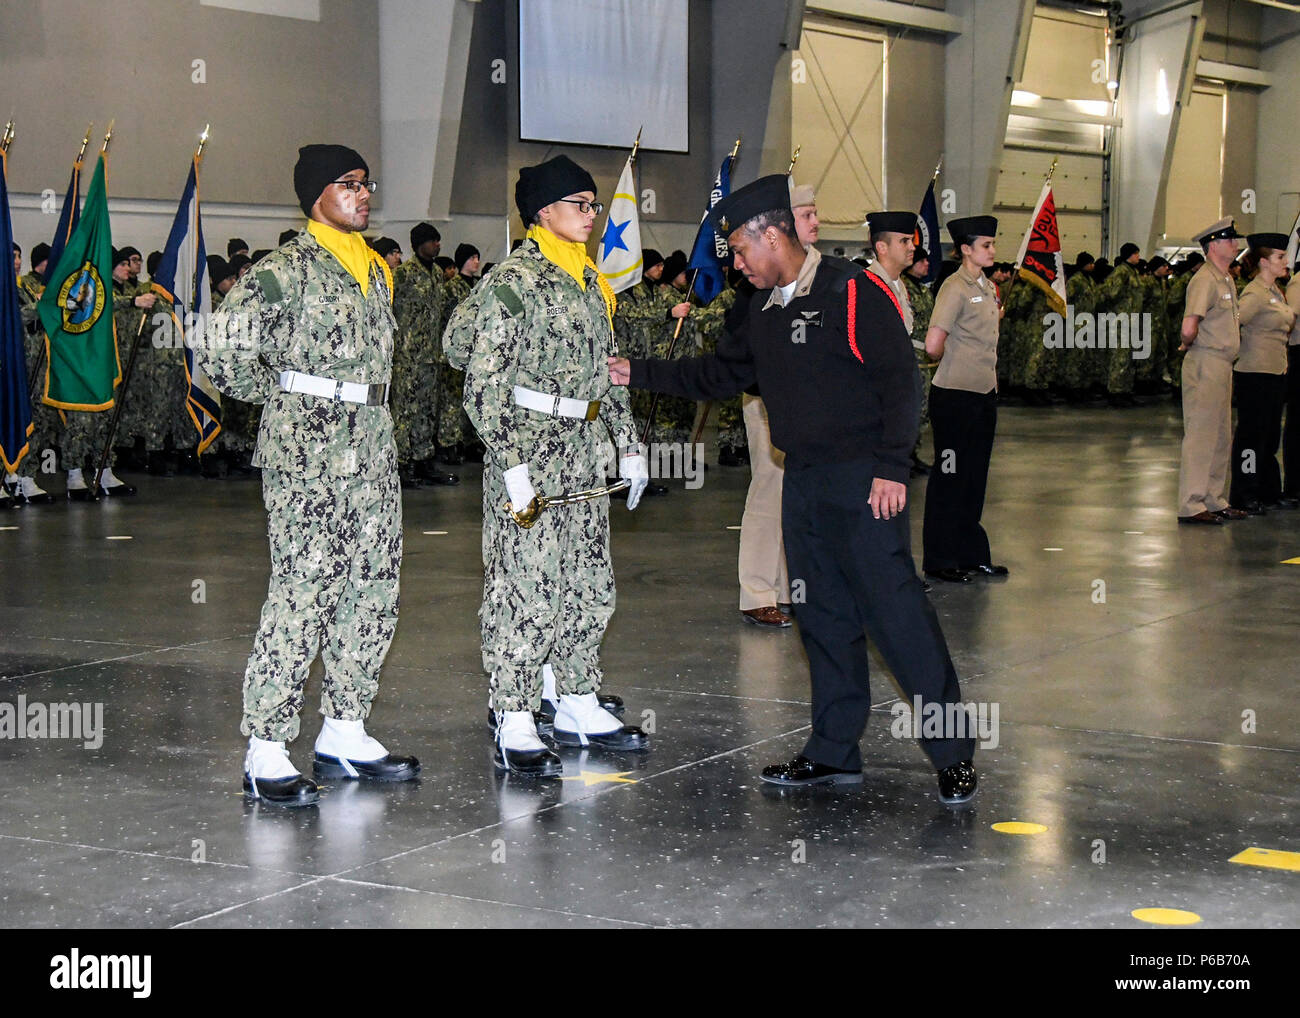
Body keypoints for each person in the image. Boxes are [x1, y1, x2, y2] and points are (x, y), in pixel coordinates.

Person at [609, 174, 977, 804]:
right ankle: (834, 751)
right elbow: (722, 375)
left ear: (771, 235)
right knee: (823, 616)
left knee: (897, 617)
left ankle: (953, 753)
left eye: (742, 251)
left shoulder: (852, 292)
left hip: (865, 482)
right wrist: (637, 371)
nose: (739, 265)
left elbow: (900, 383)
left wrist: (892, 466)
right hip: (802, 480)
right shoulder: (759, 307)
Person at [200, 143, 420, 806]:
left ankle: (345, 729)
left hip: (373, 448)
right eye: (348, 184)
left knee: (374, 586)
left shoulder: (376, 269)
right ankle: (266, 745)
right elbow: (224, 349)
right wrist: (287, 402)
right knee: (304, 591)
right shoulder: (283, 269)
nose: (363, 194)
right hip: (310, 454)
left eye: (366, 183)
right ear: (316, 195)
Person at [444, 154, 649, 778]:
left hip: (584, 450)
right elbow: (482, 385)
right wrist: (511, 465)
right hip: (530, 445)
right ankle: (513, 711)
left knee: (588, 581)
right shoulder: (513, 282)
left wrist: (630, 445)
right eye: (581, 205)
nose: (592, 216)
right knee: (523, 586)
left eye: (593, 205)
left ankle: (578, 697)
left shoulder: (591, 282)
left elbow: (607, 376)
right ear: (543, 213)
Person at [922, 216, 1007, 583]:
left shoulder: (986, 287)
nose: (992, 250)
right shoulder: (954, 288)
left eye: (992, 244)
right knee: (950, 477)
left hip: (983, 396)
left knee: (975, 478)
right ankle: (941, 559)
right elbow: (932, 345)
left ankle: (970, 553)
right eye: (986, 245)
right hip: (955, 397)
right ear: (966, 250)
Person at [1177, 218, 1245, 525]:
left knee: (1219, 436)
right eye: (1230, 240)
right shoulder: (1204, 279)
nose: (1235, 245)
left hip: (1223, 365)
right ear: (1213, 245)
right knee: (1201, 435)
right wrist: (1186, 342)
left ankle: (1214, 499)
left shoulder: (1226, 279)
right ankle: (1192, 504)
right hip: (1206, 362)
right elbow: (1189, 325)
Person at [1230, 233, 1297, 513]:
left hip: (1274, 372)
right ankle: (1245, 493)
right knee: (1251, 437)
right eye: (1280, 257)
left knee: (1268, 436)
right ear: (1263, 262)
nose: (1286, 261)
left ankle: (1268, 491)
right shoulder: (1255, 293)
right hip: (1254, 373)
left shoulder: (1275, 291)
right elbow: (1233, 322)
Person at [390, 222, 457, 487]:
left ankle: (424, 459)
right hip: (408, 356)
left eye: (438, 241)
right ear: (419, 244)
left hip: (432, 356)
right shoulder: (403, 274)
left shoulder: (438, 273)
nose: (437, 245)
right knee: (405, 411)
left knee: (428, 411)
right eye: (432, 241)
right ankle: (402, 464)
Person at [1097, 243, 1144, 406]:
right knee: (1120, 357)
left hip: (1132, 320)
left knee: (1130, 358)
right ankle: (1115, 391)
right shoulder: (1122, 272)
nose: (1138, 256)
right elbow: (1111, 293)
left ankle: (1125, 390)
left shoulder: (1133, 272)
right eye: (1136, 253)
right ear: (1129, 255)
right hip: (1122, 320)